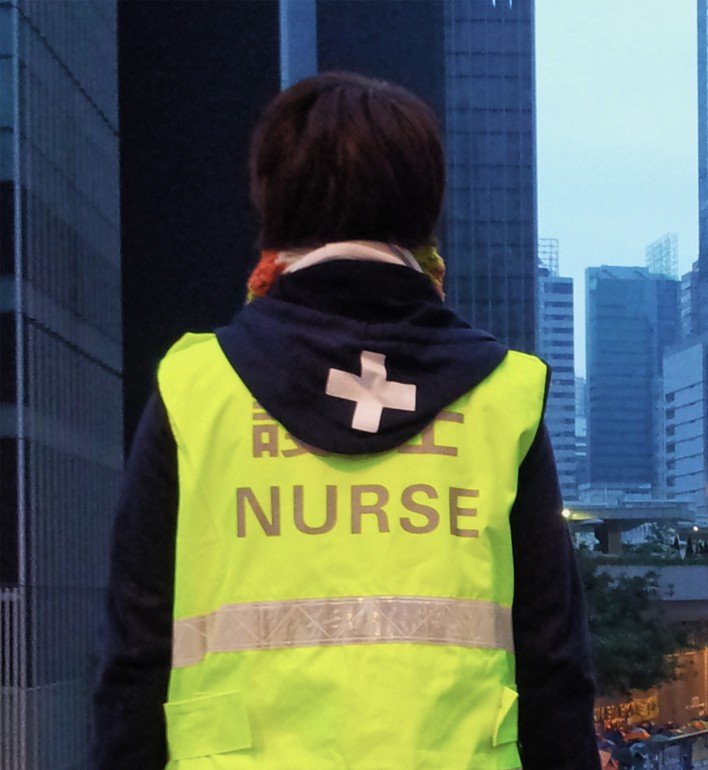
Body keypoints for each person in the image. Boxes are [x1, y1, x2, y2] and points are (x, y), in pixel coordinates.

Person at [92, 72, 597, 768]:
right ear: (426, 202)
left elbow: (135, 661)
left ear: (273, 196)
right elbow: (554, 670)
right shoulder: (502, 396)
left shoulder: (196, 388)